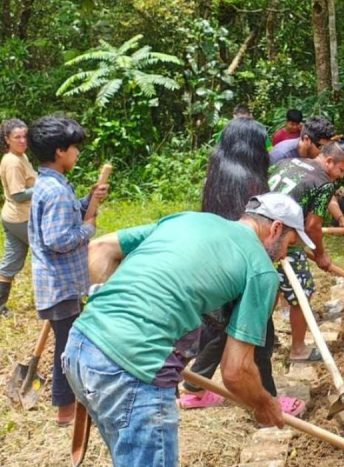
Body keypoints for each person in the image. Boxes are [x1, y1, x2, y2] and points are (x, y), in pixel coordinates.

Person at [63, 193, 313, 466]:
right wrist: (264, 403)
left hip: (81, 345)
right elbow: (235, 371)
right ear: (276, 228)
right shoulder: (261, 269)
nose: (285, 255)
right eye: (289, 243)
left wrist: (115, 320)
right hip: (135, 370)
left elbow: (100, 248)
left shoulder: (189, 219)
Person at [180, 118, 304, 414]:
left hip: (216, 257)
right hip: (243, 261)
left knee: (220, 327)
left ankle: (195, 389)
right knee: (259, 331)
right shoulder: (248, 180)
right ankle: (267, 400)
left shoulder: (219, 171)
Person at [27, 116, 109, 425]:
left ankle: (71, 403)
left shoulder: (51, 184)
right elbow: (58, 239)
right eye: (74, 148)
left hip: (59, 283)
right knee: (67, 347)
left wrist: (89, 201)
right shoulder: (56, 191)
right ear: (60, 151)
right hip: (60, 284)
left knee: (70, 342)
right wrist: (88, 228)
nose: (77, 153)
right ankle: (65, 409)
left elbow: (65, 216)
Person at [268, 141, 344, 362]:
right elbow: (313, 225)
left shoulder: (288, 162)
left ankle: (263, 342)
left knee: (269, 287)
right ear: (329, 161)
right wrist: (321, 254)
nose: (341, 176)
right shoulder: (323, 183)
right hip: (285, 241)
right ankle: (298, 350)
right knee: (302, 293)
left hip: (260, 231)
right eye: (341, 170)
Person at [0, 119, 36, 316]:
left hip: (12, 217)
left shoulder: (20, 156)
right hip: (21, 218)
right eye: (17, 137)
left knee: (12, 261)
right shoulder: (13, 162)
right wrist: (43, 185)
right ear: (7, 139)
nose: (22, 141)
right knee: (47, 252)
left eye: (24, 136)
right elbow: (18, 195)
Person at [268, 115, 335, 165]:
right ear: (307, 140)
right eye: (321, 147)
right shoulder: (280, 155)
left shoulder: (312, 155)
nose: (323, 152)